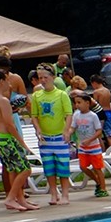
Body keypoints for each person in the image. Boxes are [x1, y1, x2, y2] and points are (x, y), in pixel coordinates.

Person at [0, 62, 38, 212]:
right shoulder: (3, 101)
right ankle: (11, 198)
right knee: (25, 170)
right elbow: (10, 124)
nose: (9, 83)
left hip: (0, 138)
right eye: (7, 80)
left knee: (13, 170)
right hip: (7, 139)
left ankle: (20, 200)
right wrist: (22, 142)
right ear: (1, 82)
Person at [30, 66, 74, 205]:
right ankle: (54, 193)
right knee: (49, 168)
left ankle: (65, 194)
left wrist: (66, 130)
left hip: (59, 137)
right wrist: (38, 129)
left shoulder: (61, 95)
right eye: (40, 78)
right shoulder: (36, 96)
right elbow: (34, 115)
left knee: (63, 167)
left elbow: (69, 114)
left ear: (53, 78)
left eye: (46, 77)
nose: (43, 80)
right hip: (45, 138)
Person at [69, 91, 109, 198]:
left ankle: (103, 187)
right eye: (76, 103)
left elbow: (99, 131)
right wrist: (68, 133)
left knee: (97, 168)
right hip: (83, 147)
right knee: (83, 166)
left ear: (87, 103)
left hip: (94, 147)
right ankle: (97, 182)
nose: (77, 105)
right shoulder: (76, 115)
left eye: (79, 102)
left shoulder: (93, 116)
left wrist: (90, 140)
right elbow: (73, 127)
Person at [88, 76, 111, 147]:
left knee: (108, 136)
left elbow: (95, 103)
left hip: (104, 113)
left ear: (94, 83)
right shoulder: (107, 90)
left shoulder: (96, 92)